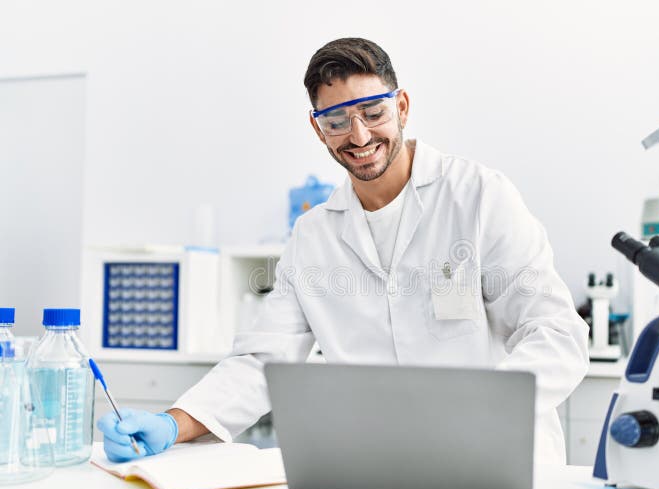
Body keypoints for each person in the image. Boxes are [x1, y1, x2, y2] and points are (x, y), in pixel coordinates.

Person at [98, 37, 589, 465]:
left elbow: (557, 333)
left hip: (493, 454)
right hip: (377, 466)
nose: (359, 136)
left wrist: (478, 409)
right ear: (318, 128)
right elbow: (263, 362)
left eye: (373, 113)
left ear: (402, 107)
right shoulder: (314, 235)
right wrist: (173, 422)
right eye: (337, 120)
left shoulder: (479, 196)